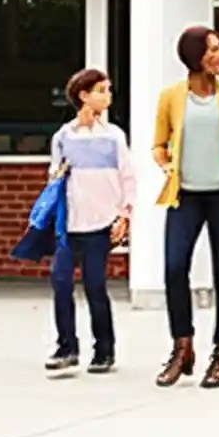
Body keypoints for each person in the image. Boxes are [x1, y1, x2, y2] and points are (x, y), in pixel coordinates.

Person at [152, 25, 219, 389]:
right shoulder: (171, 96)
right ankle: (183, 347)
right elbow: (158, 144)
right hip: (186, 196)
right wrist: (165, 164)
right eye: (212, 49)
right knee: (173, 267)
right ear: (195, 56)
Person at [44, 69, 134, 375]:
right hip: (68, 227)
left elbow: (128, 177)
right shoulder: (63, 138)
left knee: (95, 285)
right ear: (83, 96)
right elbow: (53, 179)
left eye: (109, 90)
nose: (107, 95)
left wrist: (125, 215)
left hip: (101, 225)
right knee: (60, 281)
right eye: (101, 90)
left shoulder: (113, 137)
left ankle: (104, 349)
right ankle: (66, 346)